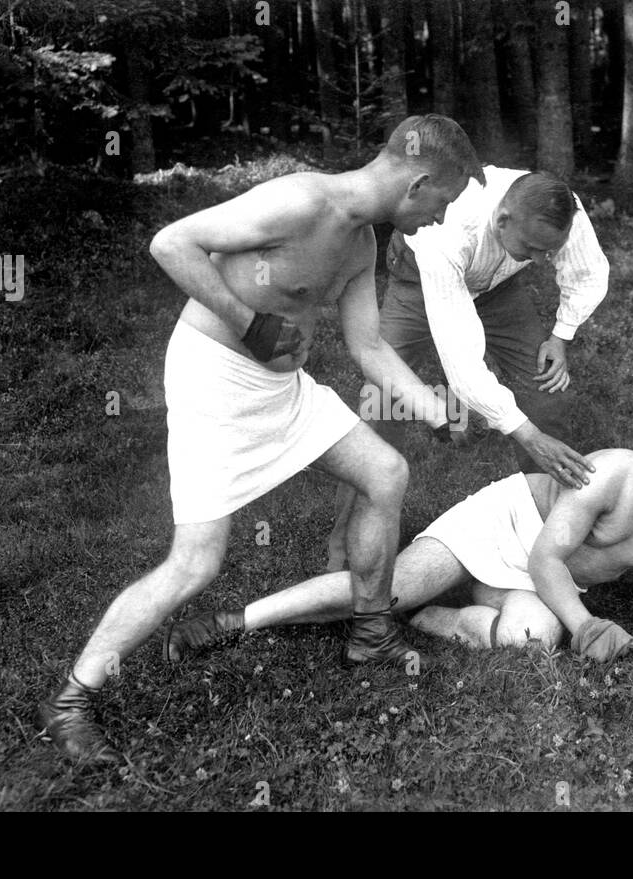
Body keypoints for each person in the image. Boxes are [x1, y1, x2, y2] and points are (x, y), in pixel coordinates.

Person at [39, 115, 486, 763]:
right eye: (442, 203)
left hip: (284, 390)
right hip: (215, 381)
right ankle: (71, 699)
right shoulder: (299, 201)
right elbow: (171, 243)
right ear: (417, 183)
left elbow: (366, 345)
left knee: (385, 473)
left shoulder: (362, 246)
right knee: (197, 563)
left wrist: (428, 404)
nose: (440, 219)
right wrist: (250, 323)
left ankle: (368, 633)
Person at [169, 431, 633, 664]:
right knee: (384, 592)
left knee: (532, 642)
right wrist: (586, 625)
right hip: (507, 527)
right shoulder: (611, 474)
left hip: (537, 578)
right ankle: (234, 621)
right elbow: (547, 557)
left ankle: (432, 615)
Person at [327, 167, 612, 571]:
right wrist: (525, 433)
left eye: (549, 250)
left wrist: (561, 336)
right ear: (502, 219)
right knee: (381, 402)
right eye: (532, 248)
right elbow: (461, 357)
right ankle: (347, 549)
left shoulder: (564, 208)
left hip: (498, 289)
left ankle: (553, 532)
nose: (541, 260)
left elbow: (588, 272)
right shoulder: (445, 231)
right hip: (419, 283)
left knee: (546, 392)